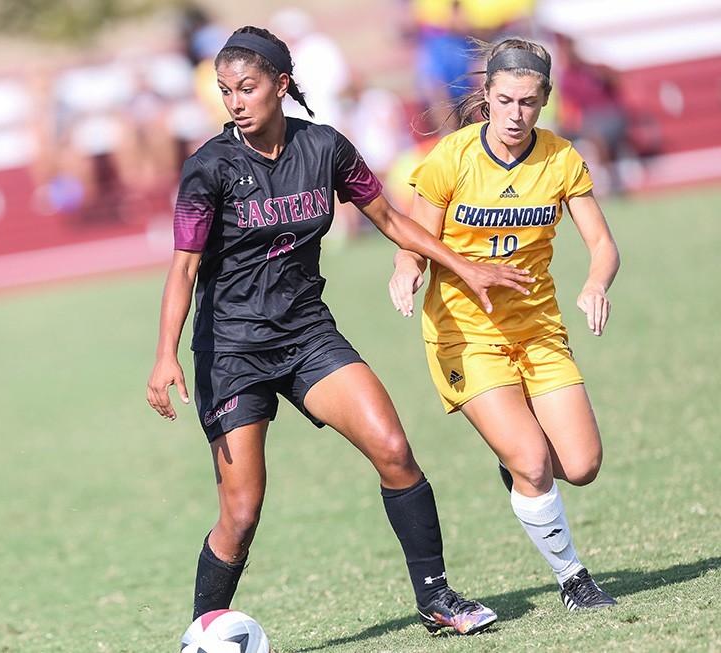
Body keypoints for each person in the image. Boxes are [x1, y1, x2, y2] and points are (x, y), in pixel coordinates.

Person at [146, 25, 535, 635]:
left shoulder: (324, 147)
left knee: (394, 450)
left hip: (307, 336)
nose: (236, 102)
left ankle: (436, 598)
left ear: (281, 84)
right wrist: (165, 354)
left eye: (247, 88)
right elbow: (185, 265)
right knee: (242, 512)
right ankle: (205, 633)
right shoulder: (209, 168)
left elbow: (390, 219)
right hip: (232, 352)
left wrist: (464, 265)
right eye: (226, 92)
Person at [389, 36, 621, 611]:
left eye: (529, 102)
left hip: (539, 330)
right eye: (505, 100)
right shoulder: (451, 158)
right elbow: (413, 239)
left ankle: (516, 463)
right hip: (465, 335)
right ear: (485, 96)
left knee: (583, 466)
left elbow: (603, 244)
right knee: (535, 461)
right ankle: (574, 579)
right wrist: (405, 269)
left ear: (544, 101)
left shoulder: (562, 158)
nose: (516, 114)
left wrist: (595, 283)